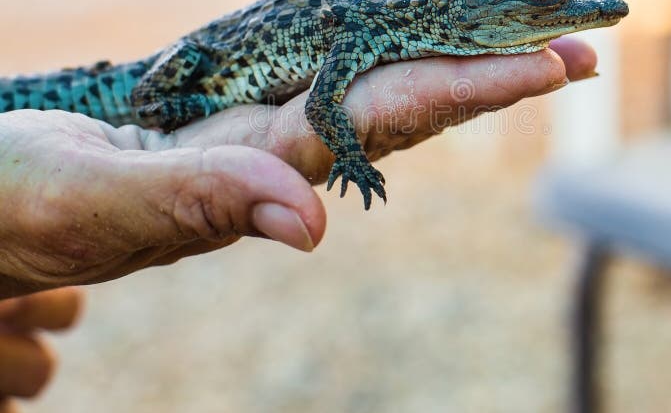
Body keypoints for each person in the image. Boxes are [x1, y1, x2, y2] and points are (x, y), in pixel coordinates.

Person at [0, 38, 597, 410]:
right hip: (171, 68)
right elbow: (319, 106)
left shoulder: (387, 29)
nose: (570, 11)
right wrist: (352, 158)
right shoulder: (369, 28)